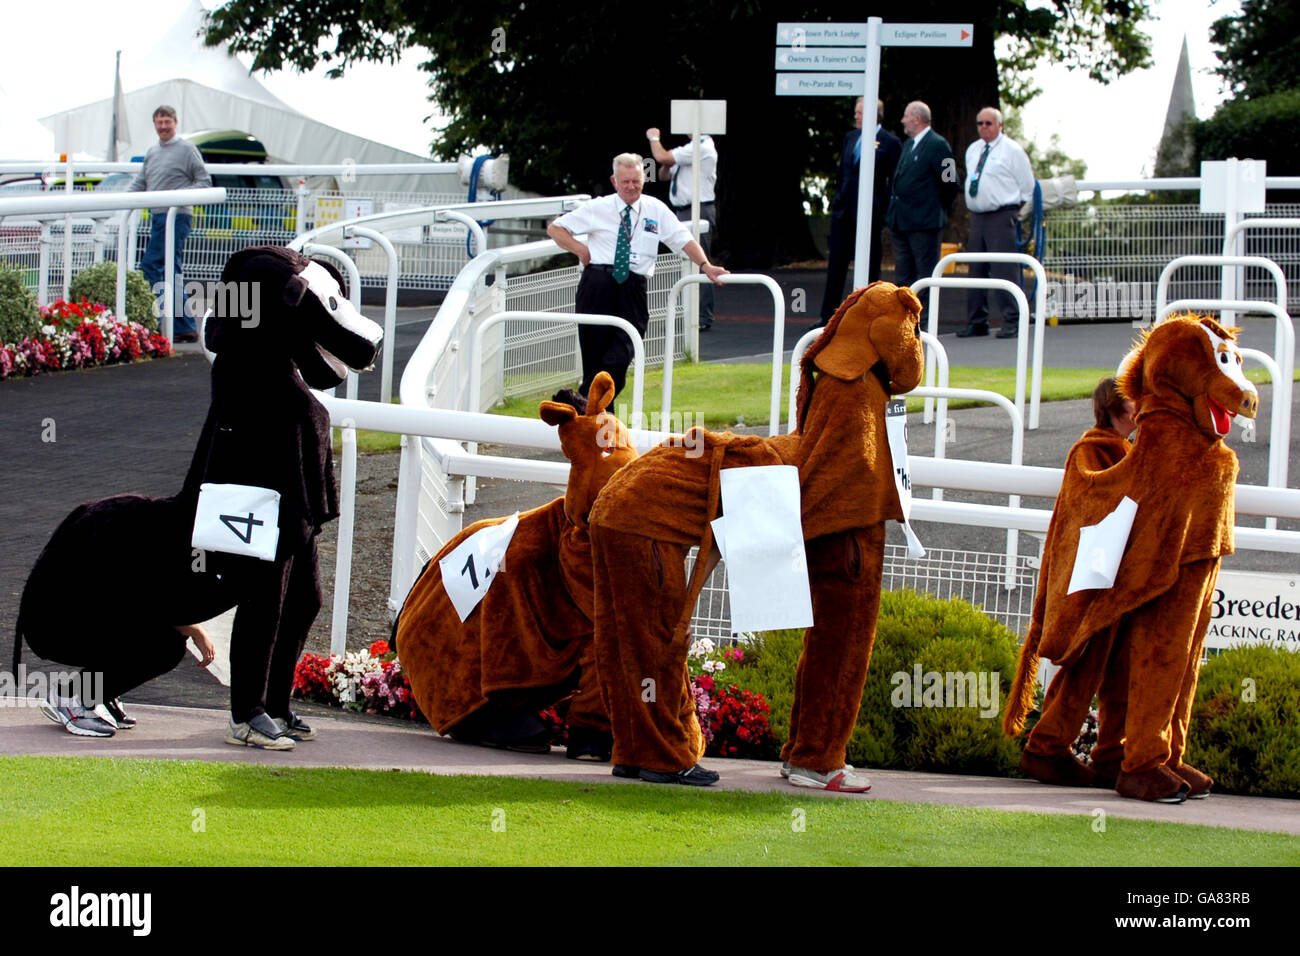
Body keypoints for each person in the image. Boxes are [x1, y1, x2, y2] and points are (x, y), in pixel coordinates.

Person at [547, 154, 728, 398]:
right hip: (598, 284)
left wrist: (705, 265)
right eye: (625, 182)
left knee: (621, 355)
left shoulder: (655, 209)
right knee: (595, 356)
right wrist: (580, 249)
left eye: (636, 181)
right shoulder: (598, 207)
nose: (631, 187)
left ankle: (577, 401)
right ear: (614, 181)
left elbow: (682, 238)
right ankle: (598, 423)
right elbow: (556, 228)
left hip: (633, 288)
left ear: (643, 179)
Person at [30, 622, 216, 738]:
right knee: (165, 646)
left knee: (169, 640)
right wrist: (197, 631)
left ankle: (97, 692)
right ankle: (74, 696)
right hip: (52, 627)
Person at [128, 105, 212, 343]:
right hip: (158, 216)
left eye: (167, 122)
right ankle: (179, 325)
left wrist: (178, 197)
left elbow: (203, 181)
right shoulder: (152, 151)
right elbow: (141, 182)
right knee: (165, 268)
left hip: (177, 215)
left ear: (175, 123)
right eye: (159, 122)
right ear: (154, 124)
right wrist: (117, 203)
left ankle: (173, 322)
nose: (163, 126)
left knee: (155, 266)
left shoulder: (187, 149)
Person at [819, 98, 901, 324]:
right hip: (843, 211)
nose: (856, 116)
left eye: (860, 113)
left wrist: (881, 207)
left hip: (870, 214)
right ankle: (828, 317)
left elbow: (894, 179)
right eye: (856, 112)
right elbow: (842, 172)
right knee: (836, 265)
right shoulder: (851, 138)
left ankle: (867, 317)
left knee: (871, 267)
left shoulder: (889, 142)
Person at [958, 107, 1037, 339]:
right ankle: (977, 321)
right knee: (976, 270)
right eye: (980, 123)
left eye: (988, 123)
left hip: (1002, 215)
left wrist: (1017, 215)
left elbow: (1028, 187)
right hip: (978, 216)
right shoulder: (973, 149)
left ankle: (1013, 319)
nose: (984, 127)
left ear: (1000, 125)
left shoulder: (1012, 150)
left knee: (1004, 269)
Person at [884, 101, 958, 322]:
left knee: (925, 272)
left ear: (917, 118)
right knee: (904, 274)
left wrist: (935, 207)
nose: (903, 121)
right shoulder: (909, 145)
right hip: (902, 220)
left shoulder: (938, 144)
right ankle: (905, 318)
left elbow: (950, 180)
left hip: (924, 221)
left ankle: (923, 320)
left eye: (906, 116)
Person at [646, 127, 719, 330]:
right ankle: (690, 314)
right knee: (686, 262)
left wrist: (654, 138)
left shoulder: (701, 147)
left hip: (697, 209)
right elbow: (664, 174)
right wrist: (667, 164)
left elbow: (661, 156)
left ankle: (702, 317)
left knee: (699, 262)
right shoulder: (689, 149)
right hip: (683, 210)